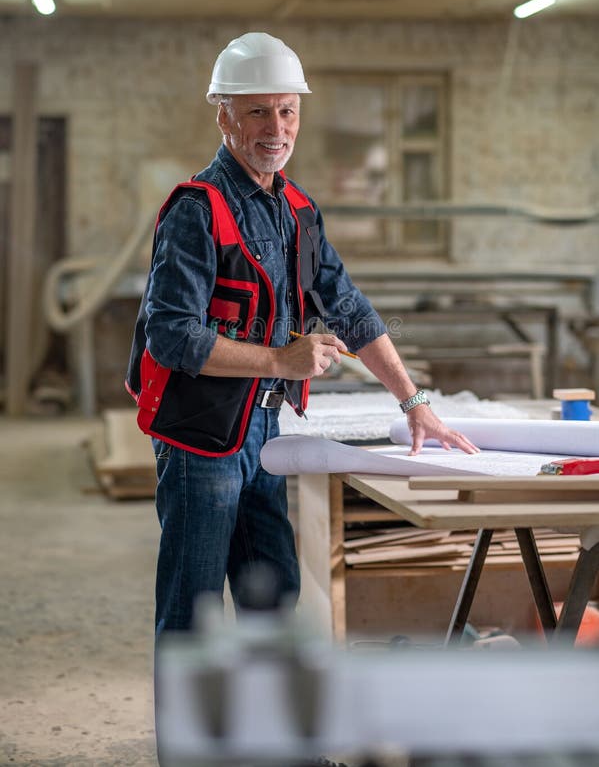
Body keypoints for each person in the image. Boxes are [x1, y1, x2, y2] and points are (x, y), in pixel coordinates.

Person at [126, 32, 478, 636]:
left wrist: (414, 401)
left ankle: (257, 729)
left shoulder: (298, 210)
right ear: (224, 116)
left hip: (264, 431)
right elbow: (172, 338)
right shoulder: (197, 209)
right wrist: (280, 360)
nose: (276, 127)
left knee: (273, 594)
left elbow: (348, 307)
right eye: (258, 110)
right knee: (194, 613)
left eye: (288, 110)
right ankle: (190, 735)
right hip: (199, 437)